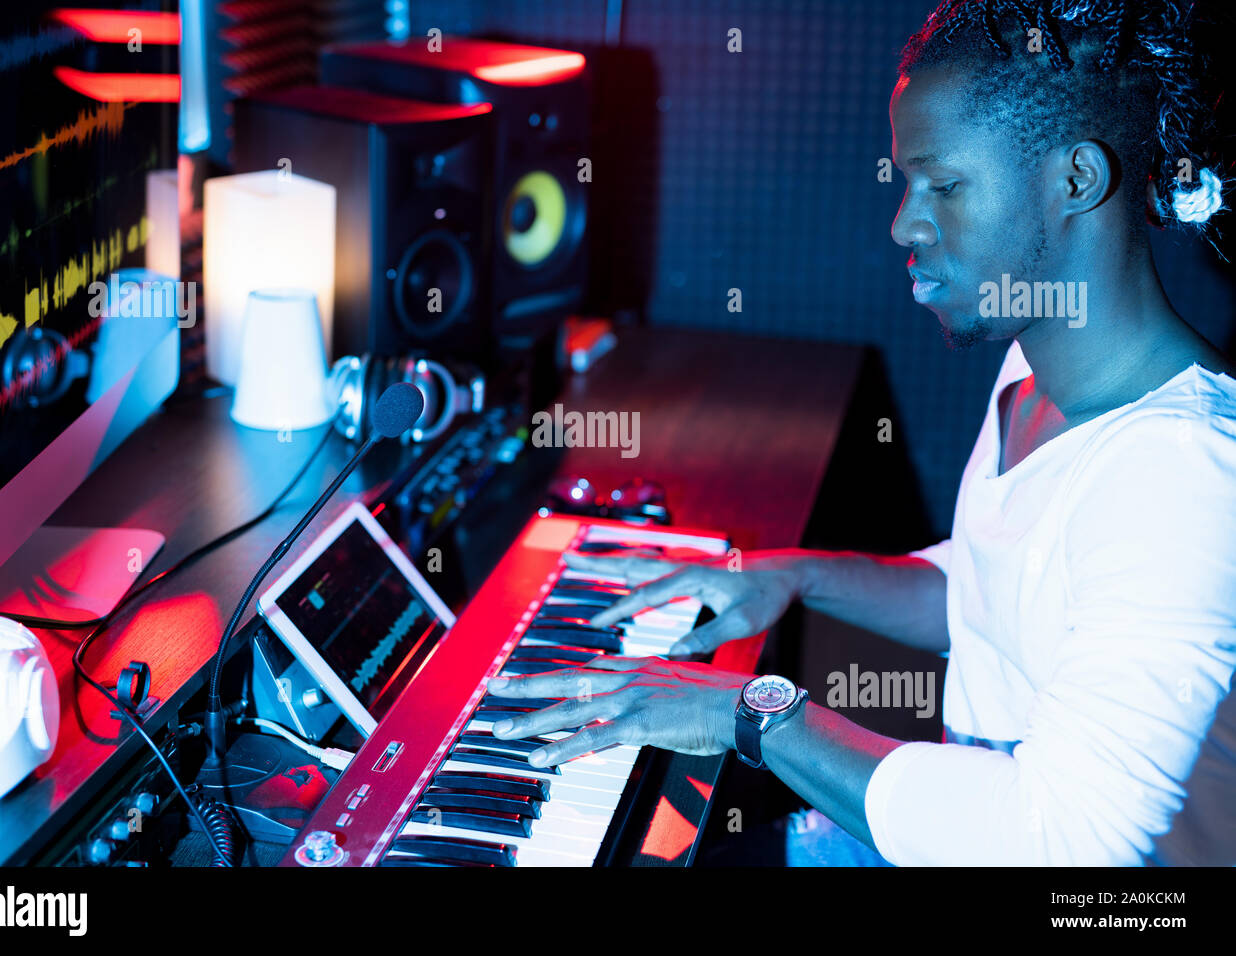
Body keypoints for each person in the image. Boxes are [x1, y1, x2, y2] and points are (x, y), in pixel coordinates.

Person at [489, 0, 1236, 866]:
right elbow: (996, 594)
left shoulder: (1182, 478)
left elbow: (1064, 841)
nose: (904, 224)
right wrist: (793, 575)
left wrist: (747, 711)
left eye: (943, 185)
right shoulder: (1039, 367)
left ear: (1074, 181)